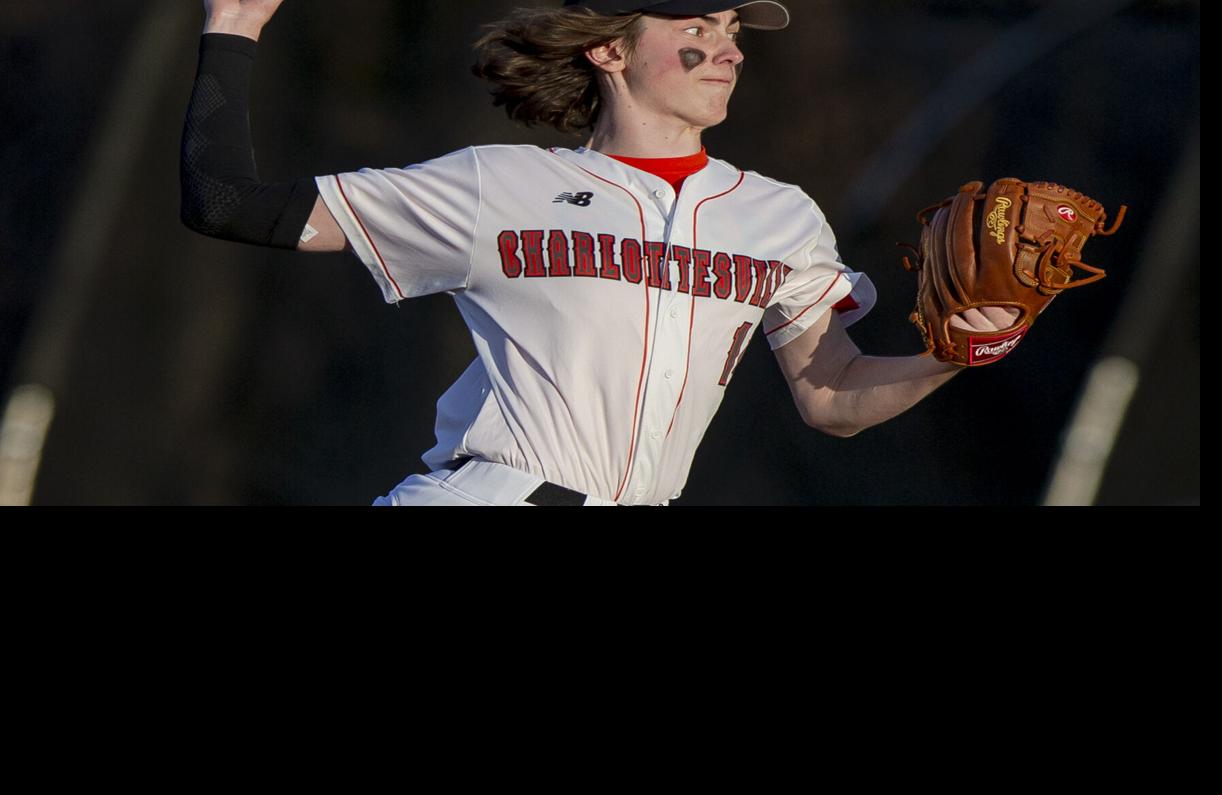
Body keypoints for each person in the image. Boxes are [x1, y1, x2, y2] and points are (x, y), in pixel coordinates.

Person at [182, 0, 1020, 505]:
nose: (729, 46)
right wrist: (234, 26)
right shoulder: (495, 186)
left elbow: (832, 398)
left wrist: (953, 353)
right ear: (610, 48)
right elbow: (224, 205)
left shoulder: (777, 216)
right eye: (698, 23)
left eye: (732, 27)